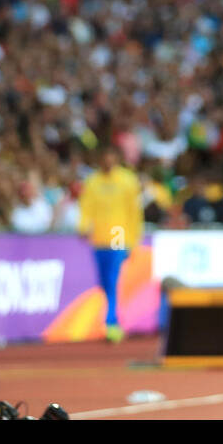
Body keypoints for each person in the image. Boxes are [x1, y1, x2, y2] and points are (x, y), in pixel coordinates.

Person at [79, 147, 144, 343]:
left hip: (118, 233)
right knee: (104, 282)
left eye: (110, 156)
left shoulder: (127, 180)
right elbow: (86, 206)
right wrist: (83, 225)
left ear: (115, 158)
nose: (107, 161)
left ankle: (112, 322)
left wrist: (133, 241)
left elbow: (134, 212)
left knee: (113, 278)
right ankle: (111, 318)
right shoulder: (92, 181)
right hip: (99, 236)